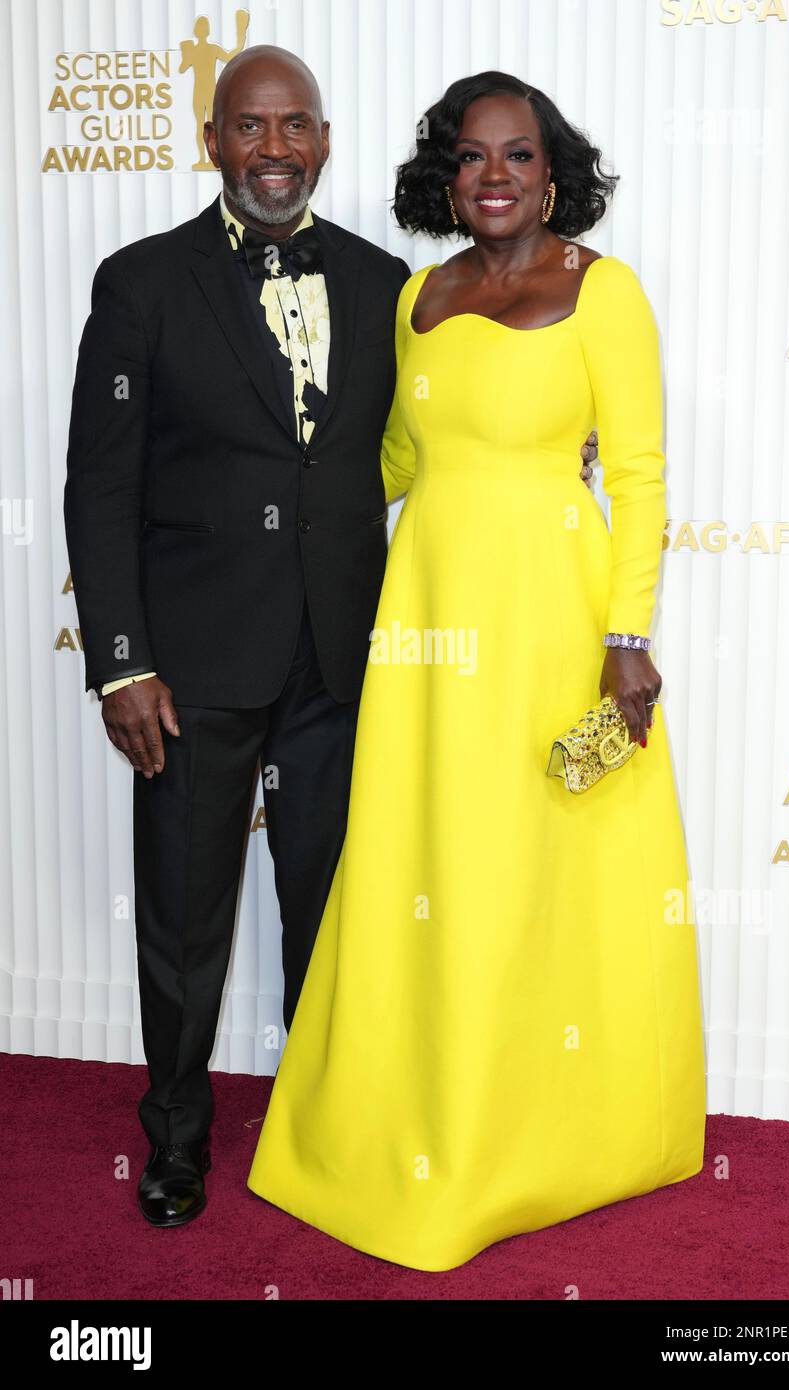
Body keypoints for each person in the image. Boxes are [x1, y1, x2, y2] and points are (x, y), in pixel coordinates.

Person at [63, 43, 604, 1229]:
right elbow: (97, 488)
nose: (274, 149)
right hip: (191, 669)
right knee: (185, 915)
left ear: (324, 142)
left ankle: (328, 1129)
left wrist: (544, 443)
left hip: (348, 667)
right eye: (249, 127)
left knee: (339, 915)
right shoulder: (140, 283)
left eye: (295, 125)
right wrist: (122, 660)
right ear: (213, 142)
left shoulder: (385, 289)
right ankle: (177, 1139)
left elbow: (422, 436)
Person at [246, 71, 707, 1271]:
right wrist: (269, 505)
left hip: (554, 619)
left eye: (516, 154)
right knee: (431, 858)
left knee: (533, 866)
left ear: (554, 171)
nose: (493, 176)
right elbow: (393, 457)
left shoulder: (607, 294)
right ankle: (417, 1116)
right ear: (444, 177)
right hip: (427, 621)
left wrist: (627, 640)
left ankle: (547, 1132)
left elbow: (643, 474)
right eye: (470, 156)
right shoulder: (416, 299)